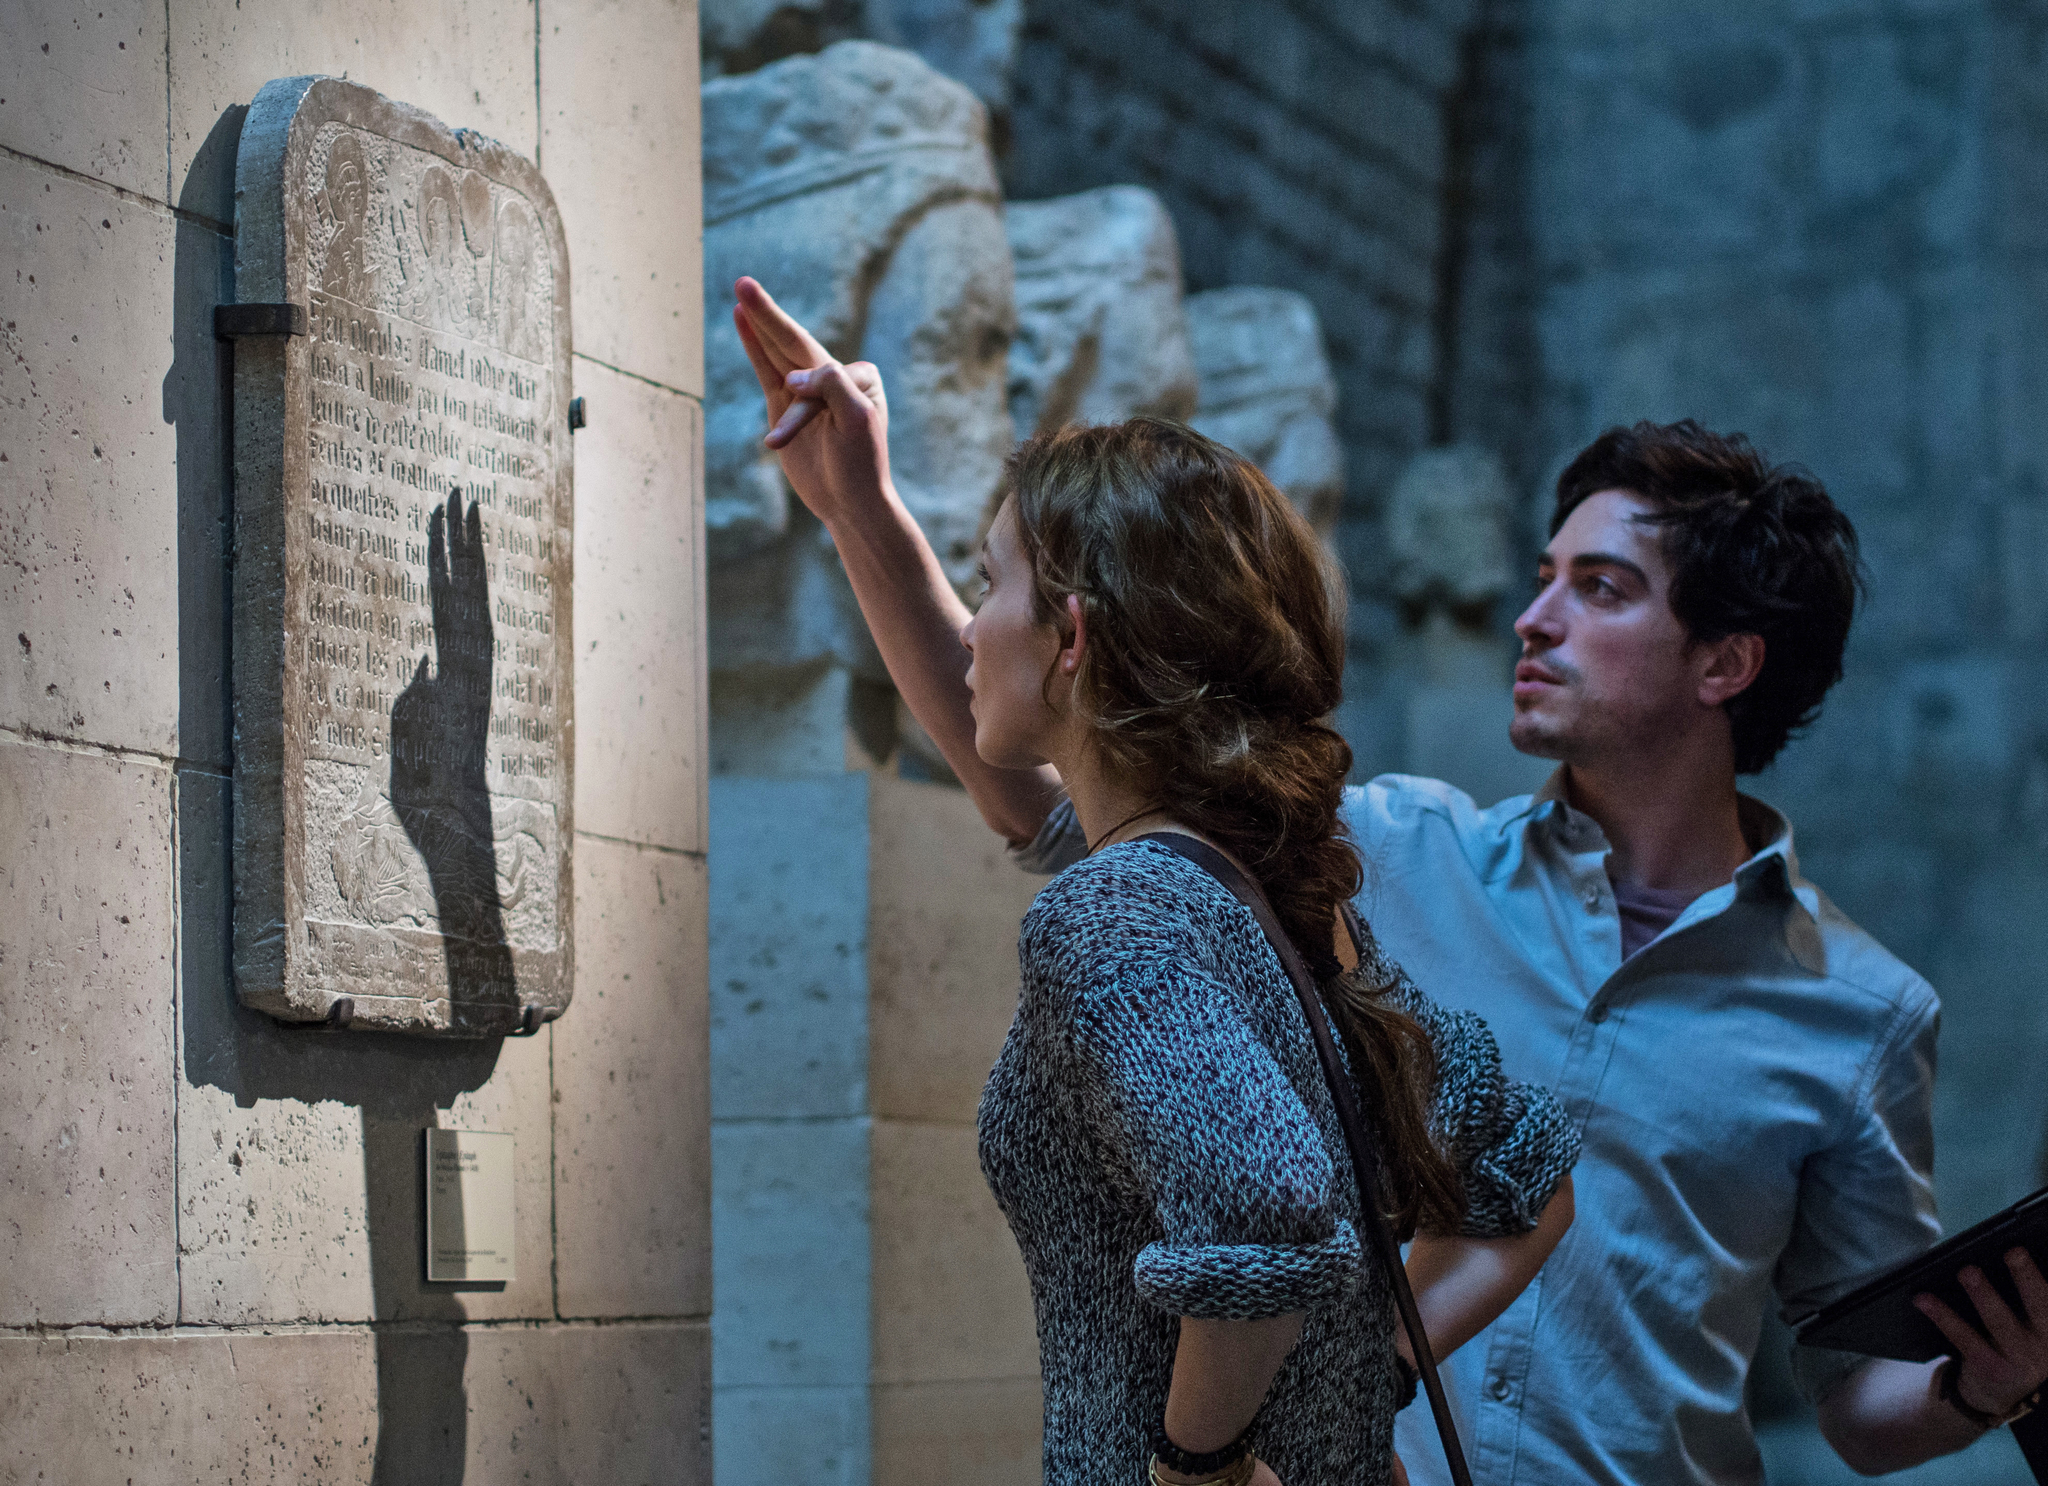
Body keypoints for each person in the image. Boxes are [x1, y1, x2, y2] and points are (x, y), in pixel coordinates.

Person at [732, 277, 2048, 1485]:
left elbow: (1859, 1408)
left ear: (1725, 666)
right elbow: (1056, 766)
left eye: (1600, 589)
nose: (1535, 619)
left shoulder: (1867, 1015)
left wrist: (1985, 1384)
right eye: (1544, 577)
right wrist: (860, 506)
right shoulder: (1392, 848)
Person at [732, 279, 1578, 1484]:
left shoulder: (1118, 913)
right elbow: (1530, 1183)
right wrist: (1348, 1388)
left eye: (993, 588)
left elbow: (1260, 1206)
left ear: (1071, 640)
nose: (973, 628)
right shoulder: (1257, 900)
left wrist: (1195, 1464)